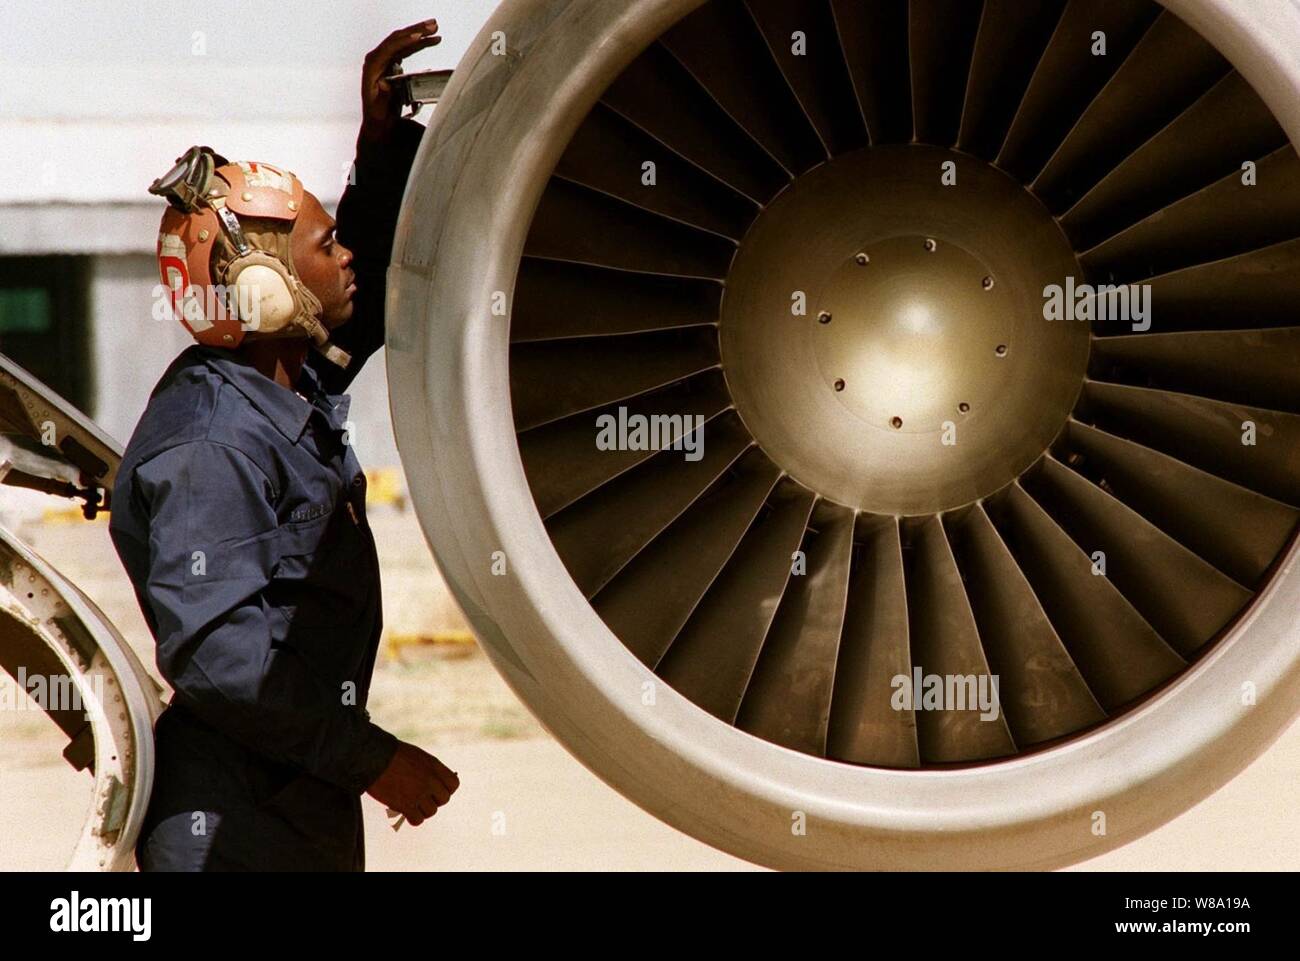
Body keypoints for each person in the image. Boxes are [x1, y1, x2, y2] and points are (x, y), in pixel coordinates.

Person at [108, 20, 458, 871]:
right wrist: (375, 760)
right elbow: (225, 661)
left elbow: (366, 296)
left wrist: (382, 146)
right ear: (268, 291)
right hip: (235, 835)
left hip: (294, 811)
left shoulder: (280, 393)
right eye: (326, 244)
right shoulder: (209, 445)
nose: (347, 259)